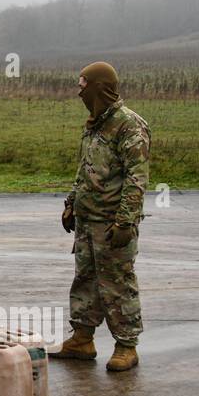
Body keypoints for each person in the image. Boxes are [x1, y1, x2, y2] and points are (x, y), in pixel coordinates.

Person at [51, 61, 150, 371]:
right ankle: (82, 339)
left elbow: (137, 179)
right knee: (85, 281)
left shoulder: (129, 125)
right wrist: (71, 203)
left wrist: (125, 222)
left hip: (112, 223)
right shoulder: (93, 124)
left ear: (98, 88)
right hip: (87, 219)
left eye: (83, 86)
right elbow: (86, 170)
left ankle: (126, 345)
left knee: (117, 284)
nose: (78, 91)